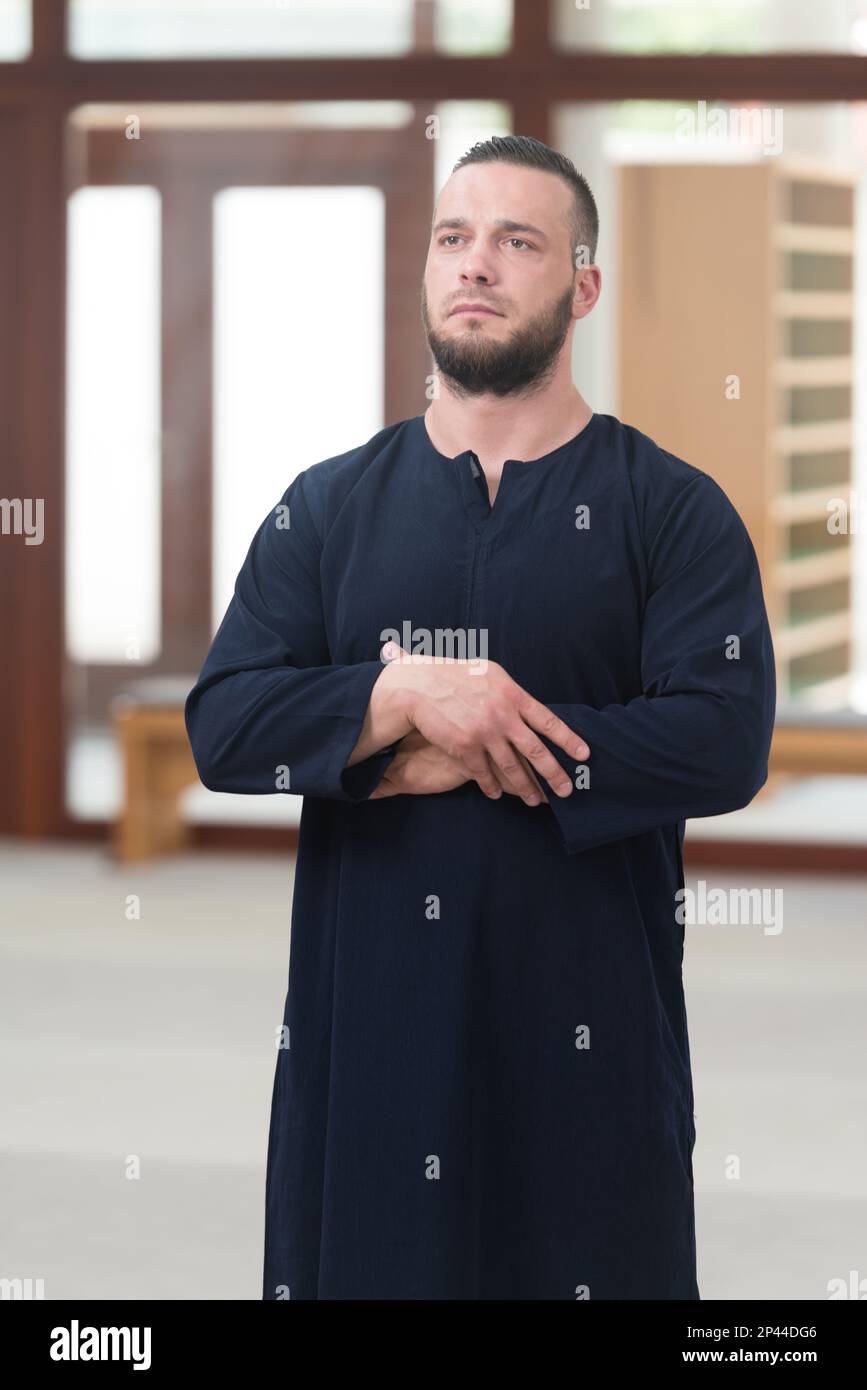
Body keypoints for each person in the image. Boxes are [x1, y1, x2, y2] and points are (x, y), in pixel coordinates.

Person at [184, 134, 776, 1300]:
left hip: (590, 1029)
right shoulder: (328, 507)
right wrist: (396, 696)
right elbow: (226, 723)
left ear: (583, 285)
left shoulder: (672, 510)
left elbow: (724, 734)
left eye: (518, 241)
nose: (477, 264)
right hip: (373, 1032)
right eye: (455, 238)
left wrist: (491, 729)